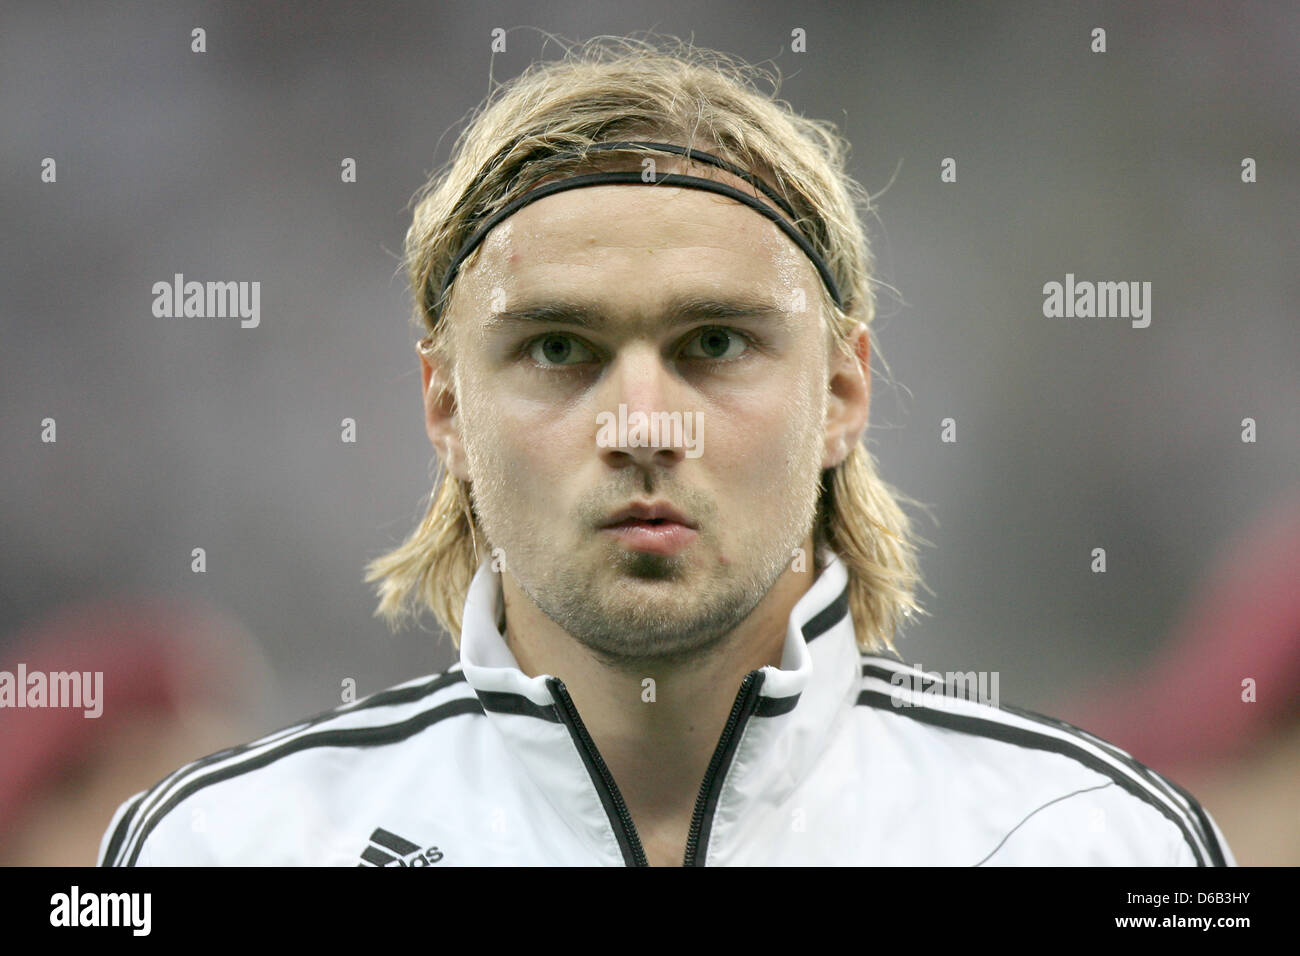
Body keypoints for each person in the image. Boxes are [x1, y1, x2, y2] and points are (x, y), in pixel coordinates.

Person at [99, 36, 1233, 867]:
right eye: (557, 346)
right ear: (446, 407)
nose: (643, 424)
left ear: (841, 391)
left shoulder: (1093, 842)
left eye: (713, 342)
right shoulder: (220, 845)